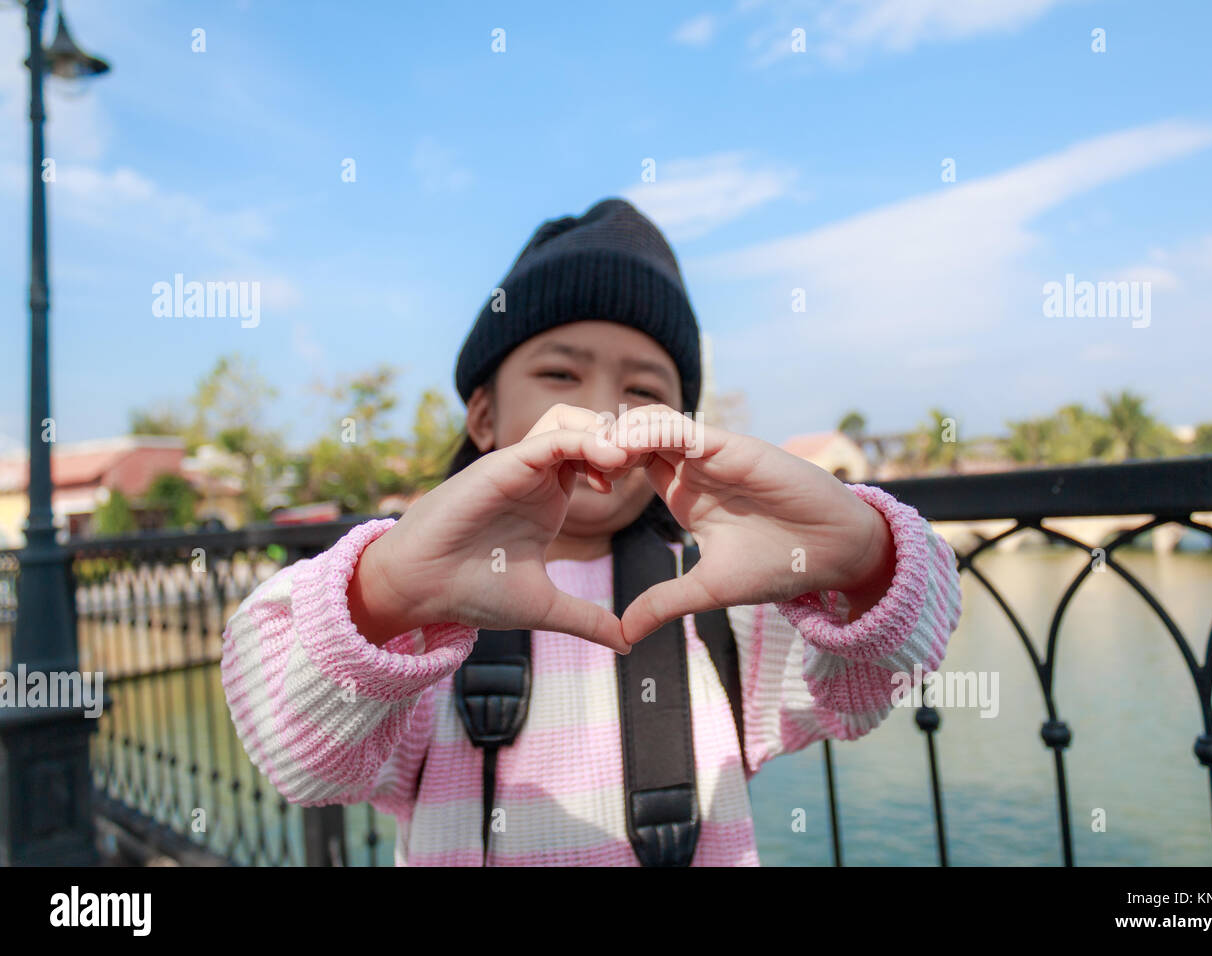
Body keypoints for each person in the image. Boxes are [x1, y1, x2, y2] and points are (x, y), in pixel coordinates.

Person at [220, 197, 963, 866]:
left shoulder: (726, 606)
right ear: (482, 417)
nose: (606, 412)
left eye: (644, 389)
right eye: (561, 374)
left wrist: (863, 556)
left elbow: (865, 687)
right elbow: (300, 758)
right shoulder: (416, 626)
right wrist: (382, 593)